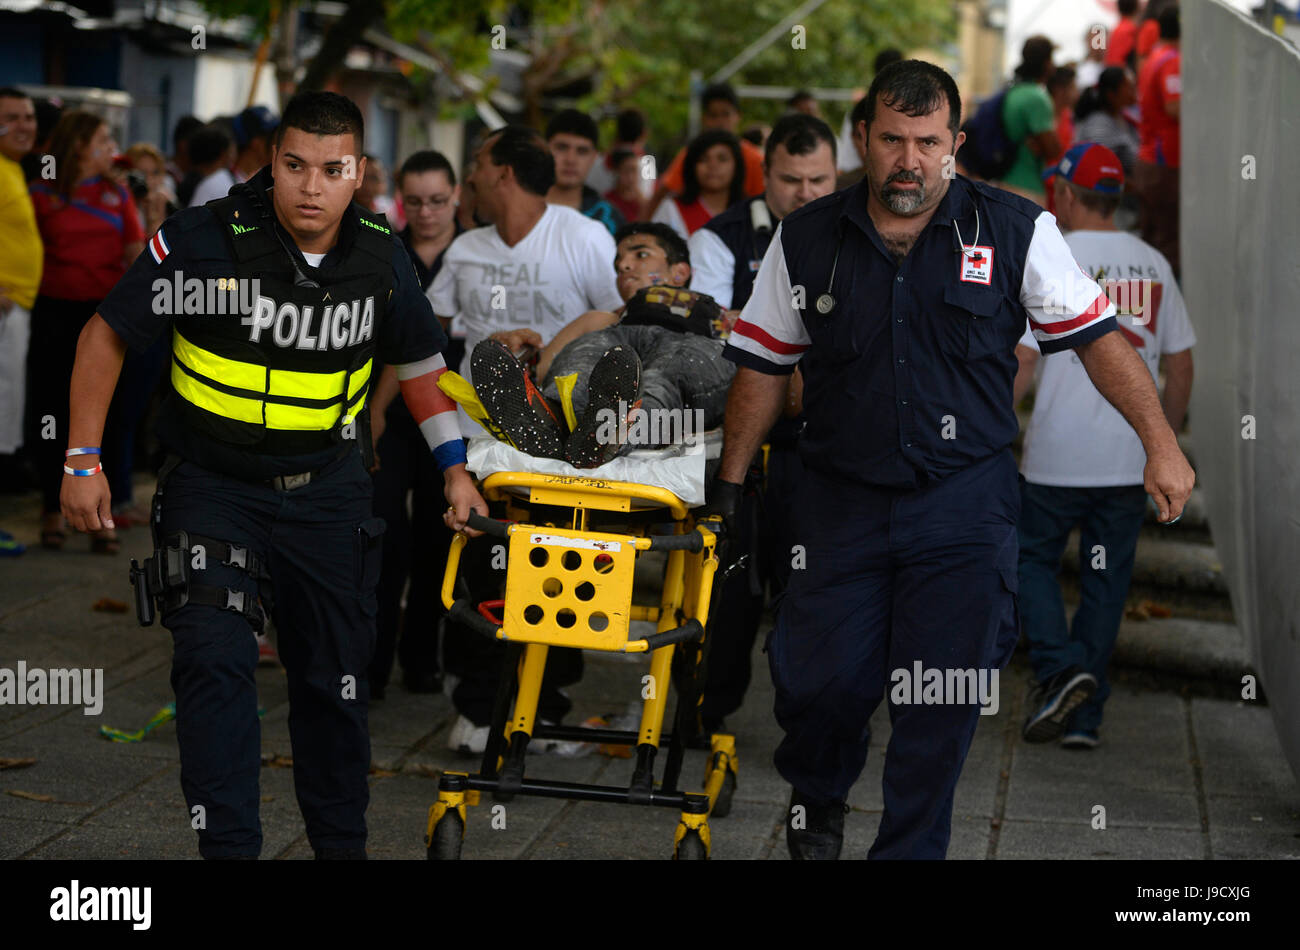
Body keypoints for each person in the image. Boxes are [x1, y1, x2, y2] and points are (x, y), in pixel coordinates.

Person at [714, 59, 1194, 860]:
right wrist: (731, 484)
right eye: (893, 140)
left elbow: (1099, 339)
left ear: (955, 144)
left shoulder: (1017, 230)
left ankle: (908, 850)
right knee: (821, 683)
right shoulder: (803, 240)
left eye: (928, 142)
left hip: (963, 505)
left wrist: (1162, 443)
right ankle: (819, 797)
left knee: (942, 699)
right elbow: (763, 364)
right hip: (840, 502)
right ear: (861, 138)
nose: (910, 160)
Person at [60, 91, 486, 859]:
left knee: (333, 684)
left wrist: (455, 467)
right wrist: (82, 458)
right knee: (214, 667)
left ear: (360, 174)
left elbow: (420, 362)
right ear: (272, 164)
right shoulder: (202, 240)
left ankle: (338, 847)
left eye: (332, 169)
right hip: (212, 490)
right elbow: (106, 333)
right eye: (294, 166)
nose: (311, 186)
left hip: (328, 494)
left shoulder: (382, 255)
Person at [426, 124, 622, 754]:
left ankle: (547, 709)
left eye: (478, 164)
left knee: (561, 566)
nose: (471, 178)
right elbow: (427, 343)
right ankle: (480, 710)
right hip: (475, 443)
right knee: (482, 567)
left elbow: (617, 321)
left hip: (561, 445)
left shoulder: (582, 236)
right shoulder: (465, 251)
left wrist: (547, 353)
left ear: (504, 171)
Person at [1011, 143, 1195, 750]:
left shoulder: (1050, 255)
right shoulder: (1153, 263)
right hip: (1126, 462)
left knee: (1028, 561)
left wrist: (1000, 426)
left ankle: (1062, 673)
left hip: (1056, 457)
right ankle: (1083, 719)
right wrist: (1161, 442)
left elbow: (1022, 362)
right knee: (1105, 582)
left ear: (1064, 194)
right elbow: (1182, 363)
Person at [687, 111, 838, 732]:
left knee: (817, 595)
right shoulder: (720, 237)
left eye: (819, 181)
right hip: (737, 450)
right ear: (764, 174)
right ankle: (700, 716)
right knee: (724, 592)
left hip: (822, 452)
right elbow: (713, 330)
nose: (806, 194)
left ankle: (813, 728)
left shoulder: (859, 232)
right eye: (791, 180)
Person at [475, 221, 735, 467]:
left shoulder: (728, 319)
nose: (623, 266)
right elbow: (540, 372)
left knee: (666, 376)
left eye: (640, 255)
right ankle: (550, 421)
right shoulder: (600, 321)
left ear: (680, 272)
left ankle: (619, 430)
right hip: (622, 336)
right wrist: (511, 352)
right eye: (619, 261)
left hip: (697, 343)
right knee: (582, 362)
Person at [365, 149, 465, 699]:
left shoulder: (473, 253)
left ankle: (422, 658)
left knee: (439, 537)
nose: (426, 213)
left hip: (452, 418)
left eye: (438, 201)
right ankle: (372, 664)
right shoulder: (384, 249)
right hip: (389, 415)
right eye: (416, 202)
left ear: (457, 197)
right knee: (382, 537)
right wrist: (376, 411)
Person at [27, 110, 144, 554]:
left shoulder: (117, 195)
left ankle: (102, 516)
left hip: (106, 319)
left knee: (106, 414)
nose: (110, 145)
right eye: (101, 138)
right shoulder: (41, 194)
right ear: (78, 145)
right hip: (53, 316)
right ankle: (50, 510)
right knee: (50, 411)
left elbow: (136, 256)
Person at [0, 87, 42, 551]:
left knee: (4, 419)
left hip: (16, 315)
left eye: (28, 116)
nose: (24, 125)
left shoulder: (12, 169)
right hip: (5, 313)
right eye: (12, 117)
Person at [648, 82, 765, 218]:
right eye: (713, 115)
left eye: (723, 159)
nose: (713, 166)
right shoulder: (690, 154)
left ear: (738, 116)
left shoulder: (755, 160)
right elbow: (663, 192)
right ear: (704, 118)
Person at [1134, 4, 1181, 276]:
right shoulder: (1171, 60)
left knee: (1152, 243)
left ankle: (1143, 314)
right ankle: (1163, 314)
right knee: (1167, 248)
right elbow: (1174, 106)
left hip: (1151, 159)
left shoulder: (1154, 57)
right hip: (1165, 164)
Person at [650, 129, 745, 240]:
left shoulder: (751, 212)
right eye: (704, 159)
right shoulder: (672, 209)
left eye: (722, 159)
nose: (713, 166)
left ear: (737, 166)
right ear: (692, 166)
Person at [1000, 35, 1061, 205]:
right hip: (1027, 190)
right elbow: (1053, 150)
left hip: (1005, 183)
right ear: (1046, 63)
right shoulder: (1037, 98)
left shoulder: (1014, 91)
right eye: (1051, 59)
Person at [544, 108, 626, 236]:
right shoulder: (518, 207)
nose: (571, 159)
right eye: (562, 147)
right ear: (545, 150)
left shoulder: (608, 220)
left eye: (582, 151)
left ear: (594, 157)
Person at [1073, 67, 1140, 176]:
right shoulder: (1098, 125)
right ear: (1111, 94)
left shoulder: (1124, 118)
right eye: (1129, 87)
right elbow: (1100, 170)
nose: (1134, 92)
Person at [186, 123, 236, 207]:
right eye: (231, 151)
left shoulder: (209, 183)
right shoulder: (215, 183)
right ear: (224, 154)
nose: (233, 155)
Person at [231, 105, 279, 183]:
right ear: (256, 143)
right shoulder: (221, 185)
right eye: (275, 139)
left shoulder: (263, 182)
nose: (280, 145)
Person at [603, 147, 646, 223]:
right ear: (616, 172)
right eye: (626, 171)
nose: (631, 177)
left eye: (634, 170)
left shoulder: (643, 203)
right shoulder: (607, 201)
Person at [1105, 0, 1142, 69]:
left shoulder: (1117, 29)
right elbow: (1118, 60)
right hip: (1120, 75)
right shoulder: (1130, 30)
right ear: (1137, 7)